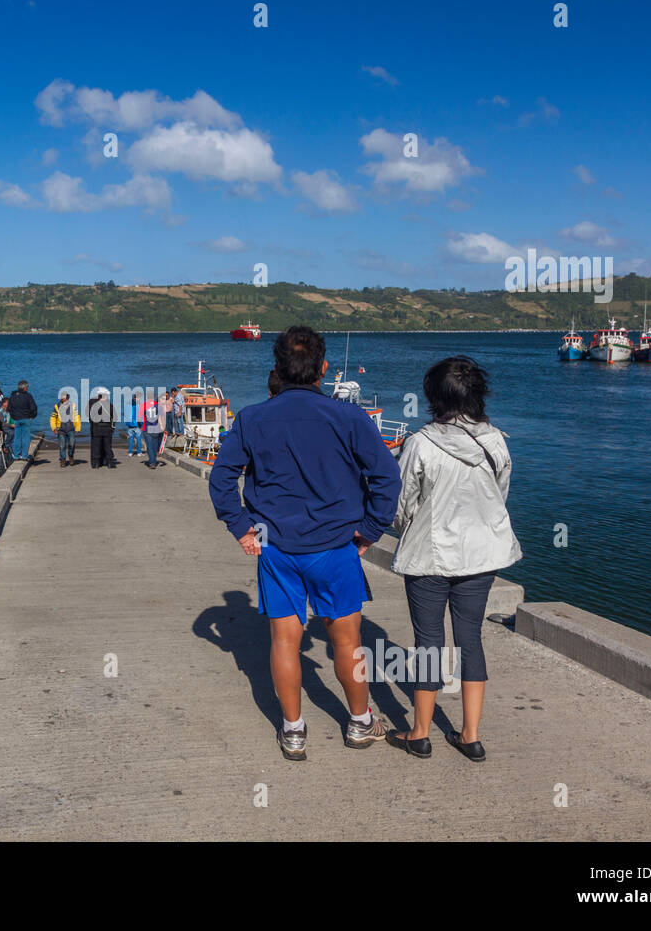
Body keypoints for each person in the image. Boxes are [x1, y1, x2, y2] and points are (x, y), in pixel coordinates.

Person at [209, 326, 401, 761]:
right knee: (347, 642)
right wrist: (370, 530)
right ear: (324, 369)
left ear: (275, 368)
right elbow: (387, 478)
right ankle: (359, 722)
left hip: (275, 547)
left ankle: (293, 730)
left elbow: (222, 480)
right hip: (335, 546)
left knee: (283, 641)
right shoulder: (350, 417)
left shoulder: (252, 418)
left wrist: (242, 528)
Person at [385, 356, 521, 762]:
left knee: (429, 644)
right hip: (482, 555)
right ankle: (471, 736)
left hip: (430, 555)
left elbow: (401, 503)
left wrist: (408, 526)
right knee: (470, 640)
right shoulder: (496, 440)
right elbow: (500, 494)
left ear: (434, 397)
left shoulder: (420, 443)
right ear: (477, 394)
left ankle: (420, 733)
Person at [7, 380, 38, 461]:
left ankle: (16, 455)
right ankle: (24, 456)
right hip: (26, 419)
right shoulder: (28, 396)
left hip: (17, 419)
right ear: (24, 388)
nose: (27, 388)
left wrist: (13, 416)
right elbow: (34, 408)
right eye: (27, 387)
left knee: (17, 438)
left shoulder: (13, 396)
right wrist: (32, 416)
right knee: (26, 438)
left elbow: (9, 409)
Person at [50, 392, 81, 467]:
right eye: (62, 397)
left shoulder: (73, 406)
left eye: (65, 397)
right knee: (62, 445)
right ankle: (63, 460)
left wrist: (78, 427)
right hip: (61, 429)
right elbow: (53, 418)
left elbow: (77, 417)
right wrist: (54, 428)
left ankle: (71, 456)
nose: (63, 399)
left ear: (67, 398)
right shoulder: (57, 406)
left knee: (72, 444)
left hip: (71, 428)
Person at [87, 390, 115, 468]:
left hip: (96, 428)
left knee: (96, 446)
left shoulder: (93, 405)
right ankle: (109, 462)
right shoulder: (110, 405)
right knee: (107, 446)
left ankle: (95, 463)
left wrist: (92, 426)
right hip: (107, 429)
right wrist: (112, 428)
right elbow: (114, 417)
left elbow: (90, 417)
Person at [143, 390, 164, 469]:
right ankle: (154, 459)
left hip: (147, 428)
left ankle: (152, 462)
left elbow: (140, 417)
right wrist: (163, 427)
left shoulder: (144, 405)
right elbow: (161, 418)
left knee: (149, 446)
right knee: (155, 445)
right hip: (156, 428)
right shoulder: (159, 406)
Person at [125, 391, 144, 457]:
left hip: (130, 424)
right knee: (138, 438)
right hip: (137, 424)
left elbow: (126, 414)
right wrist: (141, 424)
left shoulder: (128, 404)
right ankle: (139, 452)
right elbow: (140, 415)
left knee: (131, 438)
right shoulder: (139, 405)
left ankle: (130, 452)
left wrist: (127, 423)